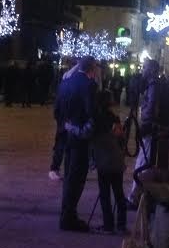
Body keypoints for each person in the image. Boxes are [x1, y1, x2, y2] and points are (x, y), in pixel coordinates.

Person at [55, 56, 99, 232]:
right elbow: (92, 112)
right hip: (80, 136)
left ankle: (66, 214)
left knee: (69, 177)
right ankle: (68, 217)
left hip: (66, 135)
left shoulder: (65, 83)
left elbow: (57, 110)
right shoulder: (89, 85)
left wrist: (64, 125)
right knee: (77, 178)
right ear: (92, 68)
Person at [92, 90, 127, 234]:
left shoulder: (95, 119)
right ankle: (121, 224)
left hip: (104, 160)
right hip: (116, 160)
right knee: (119, 193)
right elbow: (121, 139)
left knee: (105, 194)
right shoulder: (114, 118)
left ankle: (108, 225)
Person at [128, 58, 161, 204]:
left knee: (143, 162)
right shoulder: (150, 85)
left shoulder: (153, 86)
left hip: (150, 127)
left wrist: (145, 120)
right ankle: (140, 195)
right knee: (144, 160)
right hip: (149, 126)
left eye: (145, 68)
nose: (143, 70)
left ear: (152, 70)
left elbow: (152, 106)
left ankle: (136, 196)